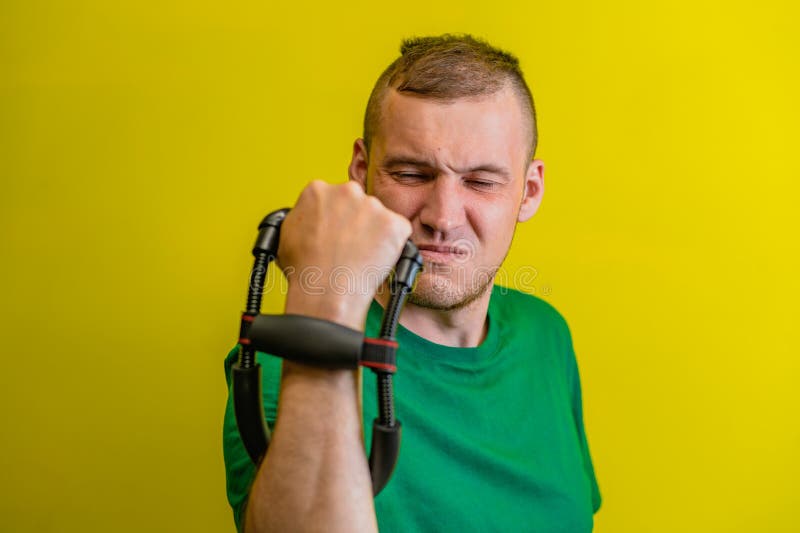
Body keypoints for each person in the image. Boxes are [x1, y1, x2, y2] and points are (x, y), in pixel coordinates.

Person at [223, 34, 602, 533]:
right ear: (362, 171)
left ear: (529, 191)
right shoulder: (287, 363)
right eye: (409, 173)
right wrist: (326, 303)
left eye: (482, 182)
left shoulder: (546, 334)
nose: (443, 217)